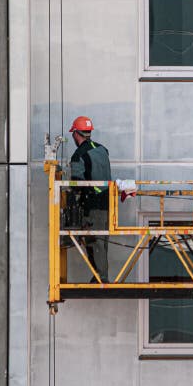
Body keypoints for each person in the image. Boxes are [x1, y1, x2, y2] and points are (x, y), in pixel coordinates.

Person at [68, 116, 111, 282]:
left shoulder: (78, 155)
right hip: (108, 203)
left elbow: (77, 185)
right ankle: (101, 275)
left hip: (92, 205)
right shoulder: (103, 150)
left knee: (93, 241)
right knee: (103, 240)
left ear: (76, 134)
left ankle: (101, 277)